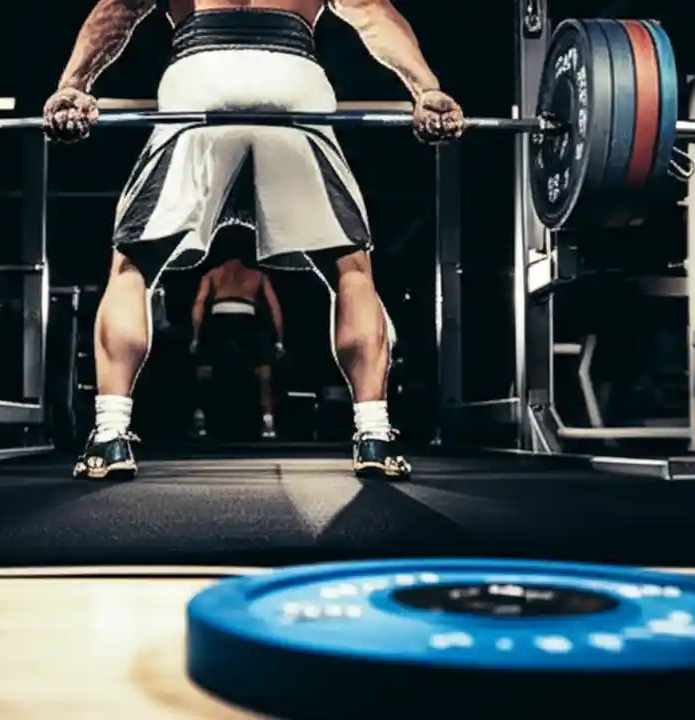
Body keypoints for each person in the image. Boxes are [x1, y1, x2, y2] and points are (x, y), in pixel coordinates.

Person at [45, 0, 465, 481]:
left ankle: (109, 436)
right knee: (351, 270)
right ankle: (374, 433)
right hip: (293, 82)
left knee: (132, 269)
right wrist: (426, 89)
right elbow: (371, 12)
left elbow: (117, 11)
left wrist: (72, 88)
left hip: (200, 79)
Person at [189, 226, 285, 439]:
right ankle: (268, 422)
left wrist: (196, 337)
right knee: (263, 374)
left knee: (205, 371)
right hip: (246, 319)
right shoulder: (257, 276)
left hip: (219, 319)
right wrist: (278, 340)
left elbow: (199, 305)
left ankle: (200, 419)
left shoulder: (213, 274)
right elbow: (275, 309)